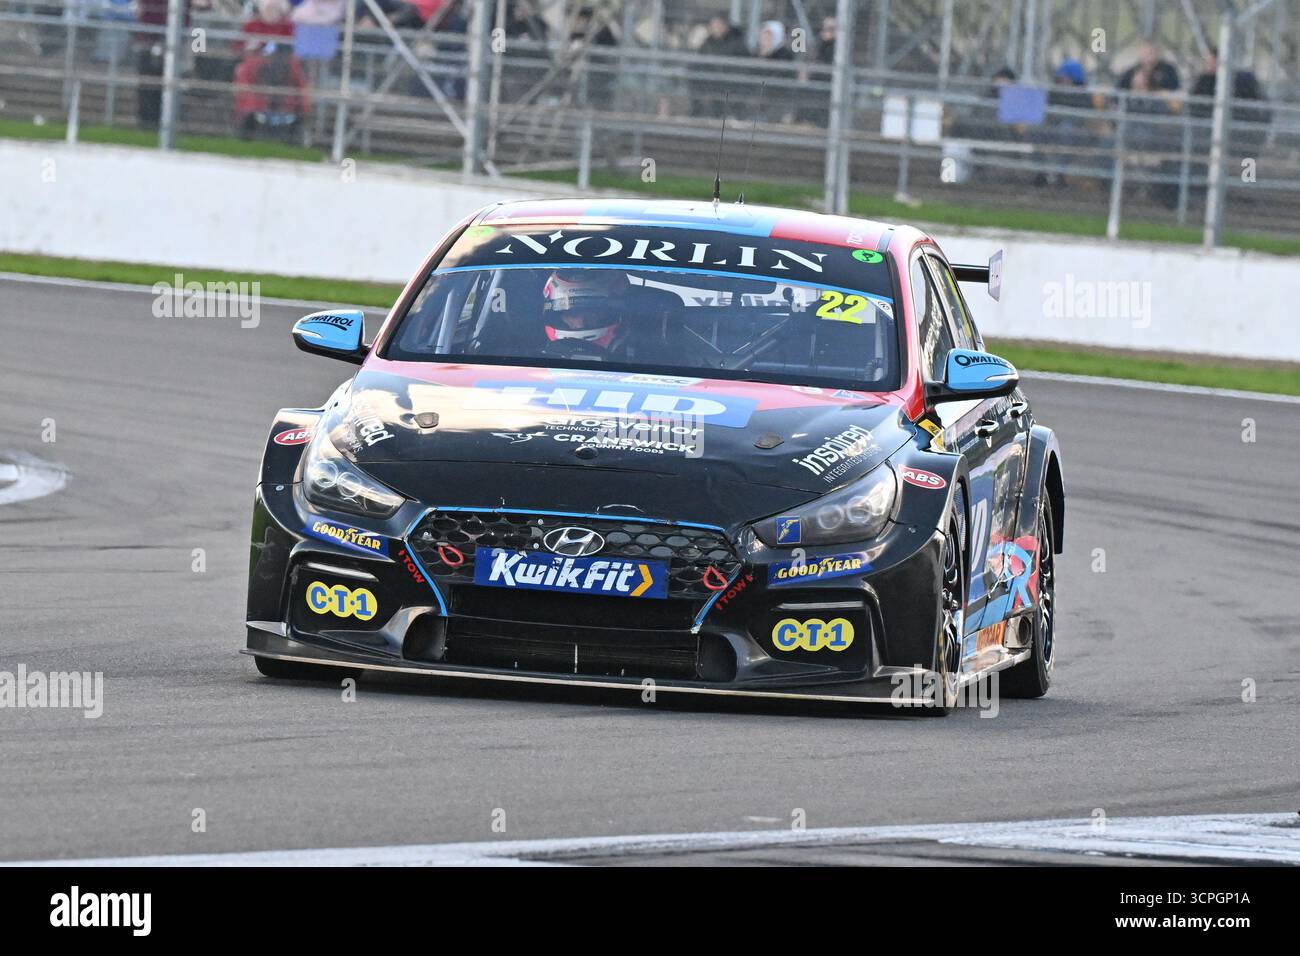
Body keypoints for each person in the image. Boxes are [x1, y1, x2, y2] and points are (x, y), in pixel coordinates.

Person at [234, 40, 311, 142]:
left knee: (296, 123)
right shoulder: (250, 66)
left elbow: (302, 87)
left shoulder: (292, 66)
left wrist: (303, 106)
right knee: (249, 118)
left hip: (285, 107)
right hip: (258, 106)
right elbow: (241, 87)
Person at [542, 270, 627, 352]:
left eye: (591, 312)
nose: (580, 323)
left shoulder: (635, 357)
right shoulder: (535, 359)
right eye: (572, 314)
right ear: (556, 317)